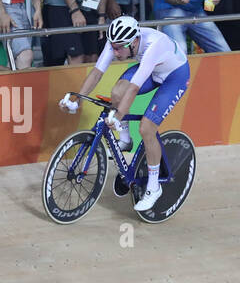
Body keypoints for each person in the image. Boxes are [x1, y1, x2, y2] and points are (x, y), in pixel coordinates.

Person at [57, 15, 190, 212]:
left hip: (174, 76)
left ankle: (154, 188)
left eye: (119, 48)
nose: (115, 52)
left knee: (146, 128)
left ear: (134, 41)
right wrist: (77, 100)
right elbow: (96, 73)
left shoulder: (154, 46)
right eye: (113, 47)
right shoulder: (117, 42)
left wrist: (117, 116)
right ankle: (126, 140)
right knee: (117, 91)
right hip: (154, 71)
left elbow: (134, 89)